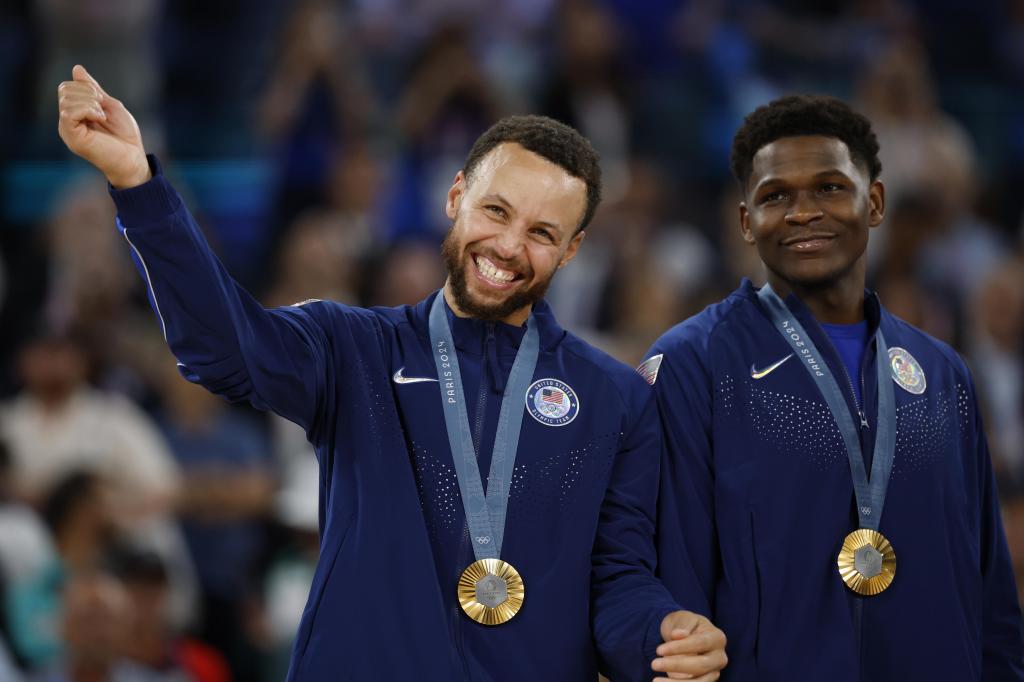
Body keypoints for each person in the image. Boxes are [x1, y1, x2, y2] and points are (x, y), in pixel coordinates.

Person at [56, 65, 727, 681]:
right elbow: (220, 347)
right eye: (496, 211)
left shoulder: (614, 399)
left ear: (573, 249)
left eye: (543, 233)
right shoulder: (355, 350)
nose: (509, 247)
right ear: (456, 196)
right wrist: (139, 188)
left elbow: (619, 580)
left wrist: (663, 633)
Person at [641, 94, 1024, 680]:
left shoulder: (944, 374)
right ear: (746, 221)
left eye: (829, 187)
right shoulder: (694, 365)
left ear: (873, 202)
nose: (803, 212)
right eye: (775, 196)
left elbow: (989, 590)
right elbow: (677, 592)